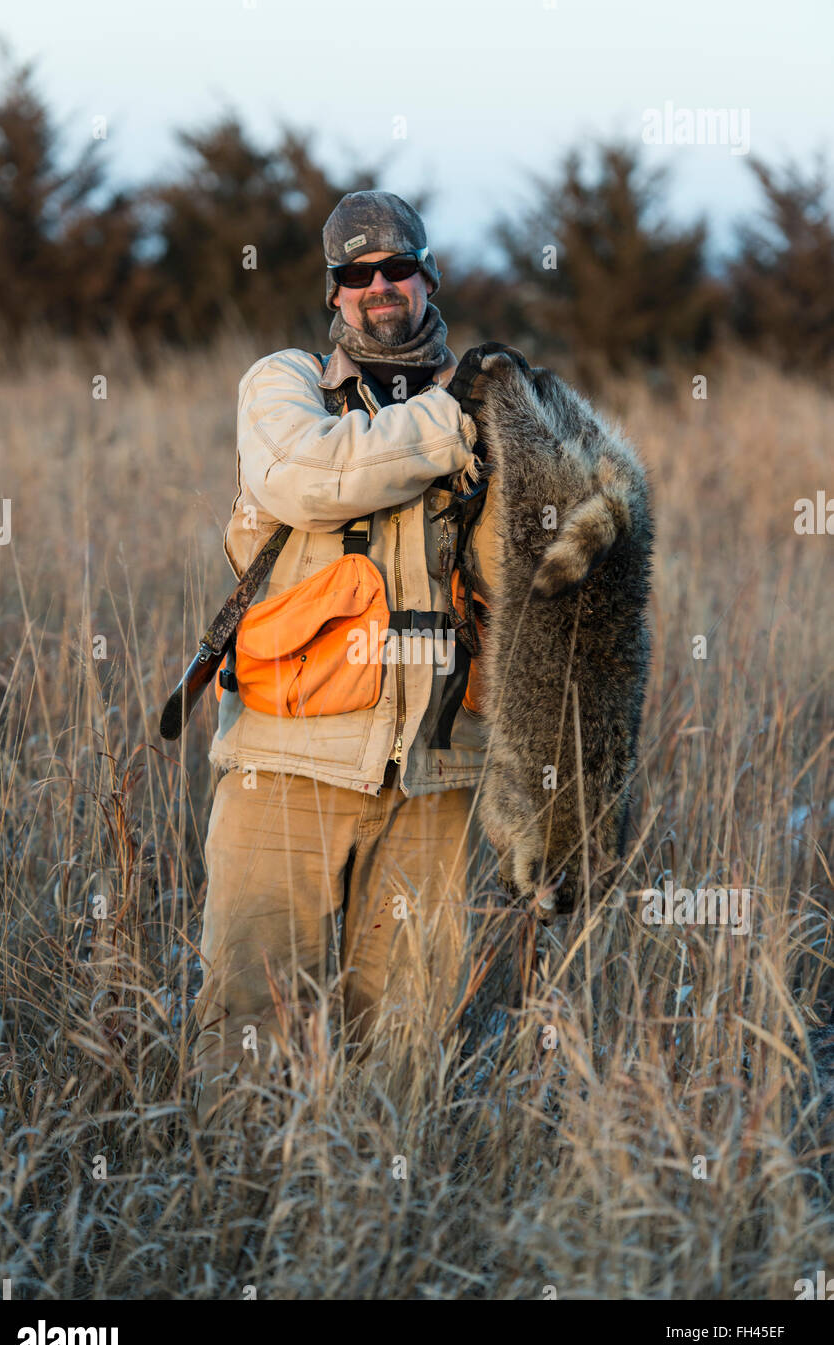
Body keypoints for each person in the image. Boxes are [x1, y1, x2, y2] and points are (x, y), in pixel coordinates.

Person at [194, 190, 500, 1123]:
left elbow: (526, 573)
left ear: (427, 275)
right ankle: (229, 1212)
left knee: (405, 1030)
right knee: (248, 1016)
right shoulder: (284, 384)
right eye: (354, 274)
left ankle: (375, 1225)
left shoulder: (496, 401)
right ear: (332, 293)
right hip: (285, 758)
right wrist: (456, 423)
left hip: (437, 767)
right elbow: (303, 476)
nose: (378, 288)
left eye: (396, 267)